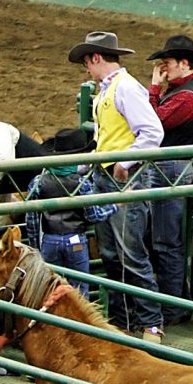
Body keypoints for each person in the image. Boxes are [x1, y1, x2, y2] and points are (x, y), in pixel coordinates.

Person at [67, 31, 164, 341]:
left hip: (124, 180)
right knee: (112, 251)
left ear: (97, 58)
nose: (86, 68)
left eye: (87, 62)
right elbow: (108, 136)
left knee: (129, 252)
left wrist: (125, 162)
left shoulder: (125, 89)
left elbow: (151, 132)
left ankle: (150, 323)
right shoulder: (111, 89)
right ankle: (125, 321)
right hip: (109, 177)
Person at [145, 34, 193, 324]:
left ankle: (171, 308)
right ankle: (175, 303)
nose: (163, 69)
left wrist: (154, 89)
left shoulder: (186, 97)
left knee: (166, 241)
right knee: (164, 239)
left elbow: (152, 121)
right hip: (171, 168)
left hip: (171, 169)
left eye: (167, 63)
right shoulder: (187, 92)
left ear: (184, 63)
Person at [22, 128, 116, 297]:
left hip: (50, 240)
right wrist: (116, 205)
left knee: (48, 290)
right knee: (79, 293)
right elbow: (94, 215)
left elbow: (32, 219)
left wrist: (35, 245)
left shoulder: (39, 181)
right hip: (75, 239)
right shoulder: (81, 182)